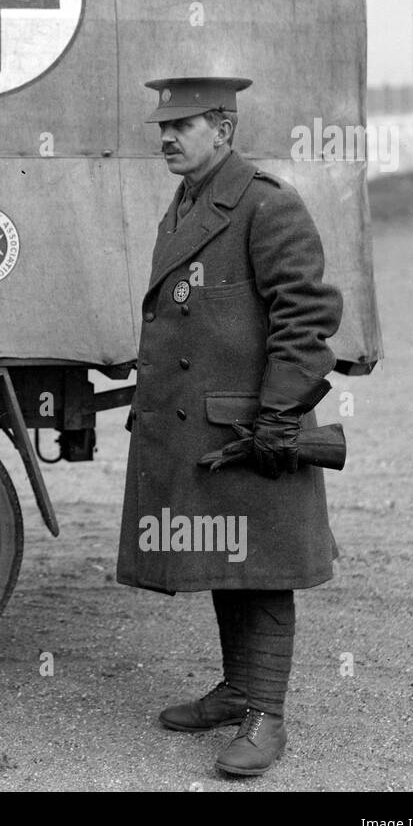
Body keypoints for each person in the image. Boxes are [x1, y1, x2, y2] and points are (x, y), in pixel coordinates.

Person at [116, 76, 343, 777]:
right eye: (162, 125)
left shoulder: (266, 205)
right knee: (226, 557)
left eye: (182, 124)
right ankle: (239, 687)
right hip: (205, 430)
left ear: (225, 128)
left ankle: (265, 715)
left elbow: (307, 318)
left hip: (252, 427)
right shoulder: (189, 200)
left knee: (264, 568)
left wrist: (279, 414)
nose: (166, 137)